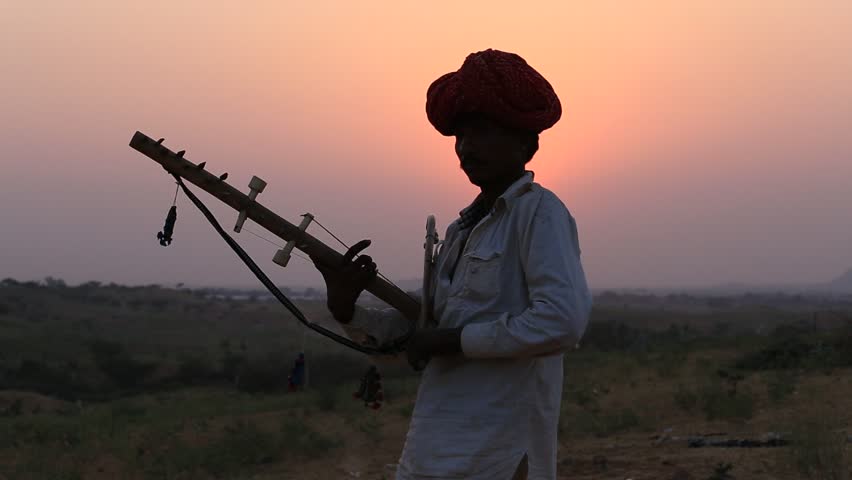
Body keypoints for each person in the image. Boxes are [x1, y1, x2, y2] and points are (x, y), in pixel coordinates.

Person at [312, 49, 592, 480]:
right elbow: (422, 332)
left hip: (500, 458)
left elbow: (562, 321)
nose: (466, 147)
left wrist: (454, 340)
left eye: (482, 132)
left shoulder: (540, 213)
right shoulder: (460, 230)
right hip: (431, 453)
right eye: (460, 135)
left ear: (525, 141)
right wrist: (346, 309)